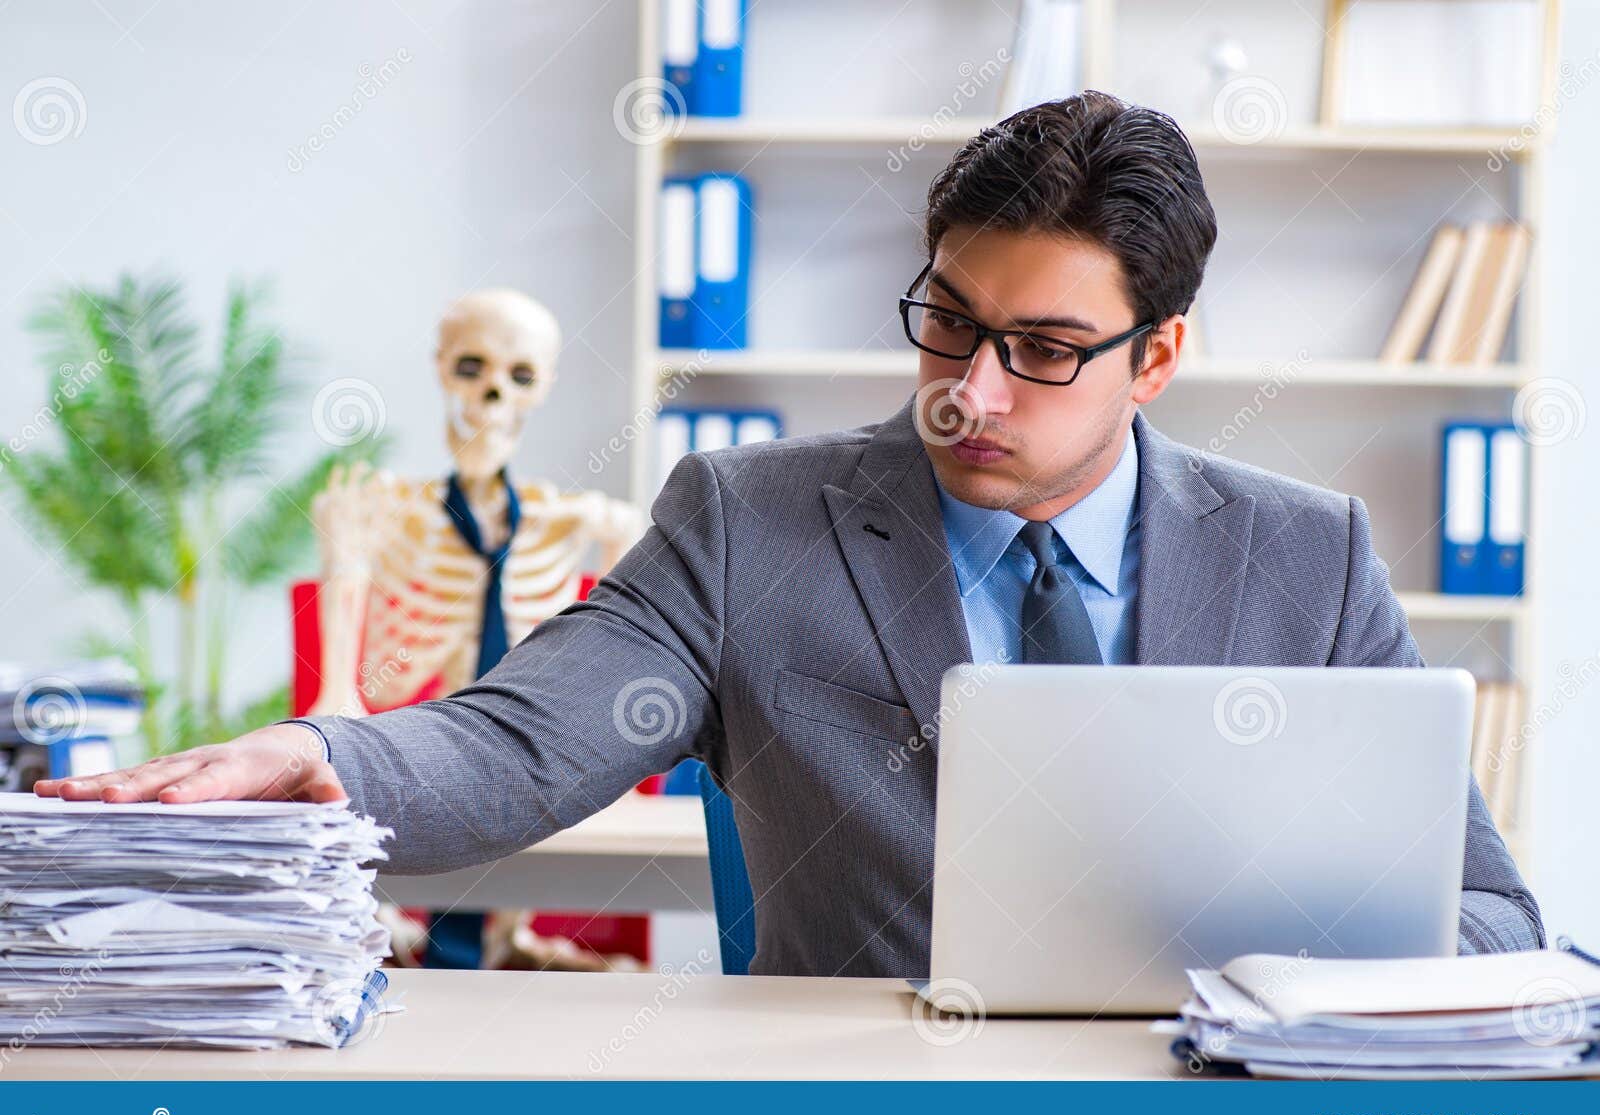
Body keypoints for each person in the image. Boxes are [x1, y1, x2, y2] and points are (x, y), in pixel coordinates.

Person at [42, 91, 1543, 973]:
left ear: (1155, 358)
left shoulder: (1307, 560)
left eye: (1042, 350)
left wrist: (1299, 978)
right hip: (864, 1112)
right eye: (947, 321)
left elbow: (1484, 911)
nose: (968, 391)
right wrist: (321, 753)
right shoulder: (750, 522)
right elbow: (517, 742)